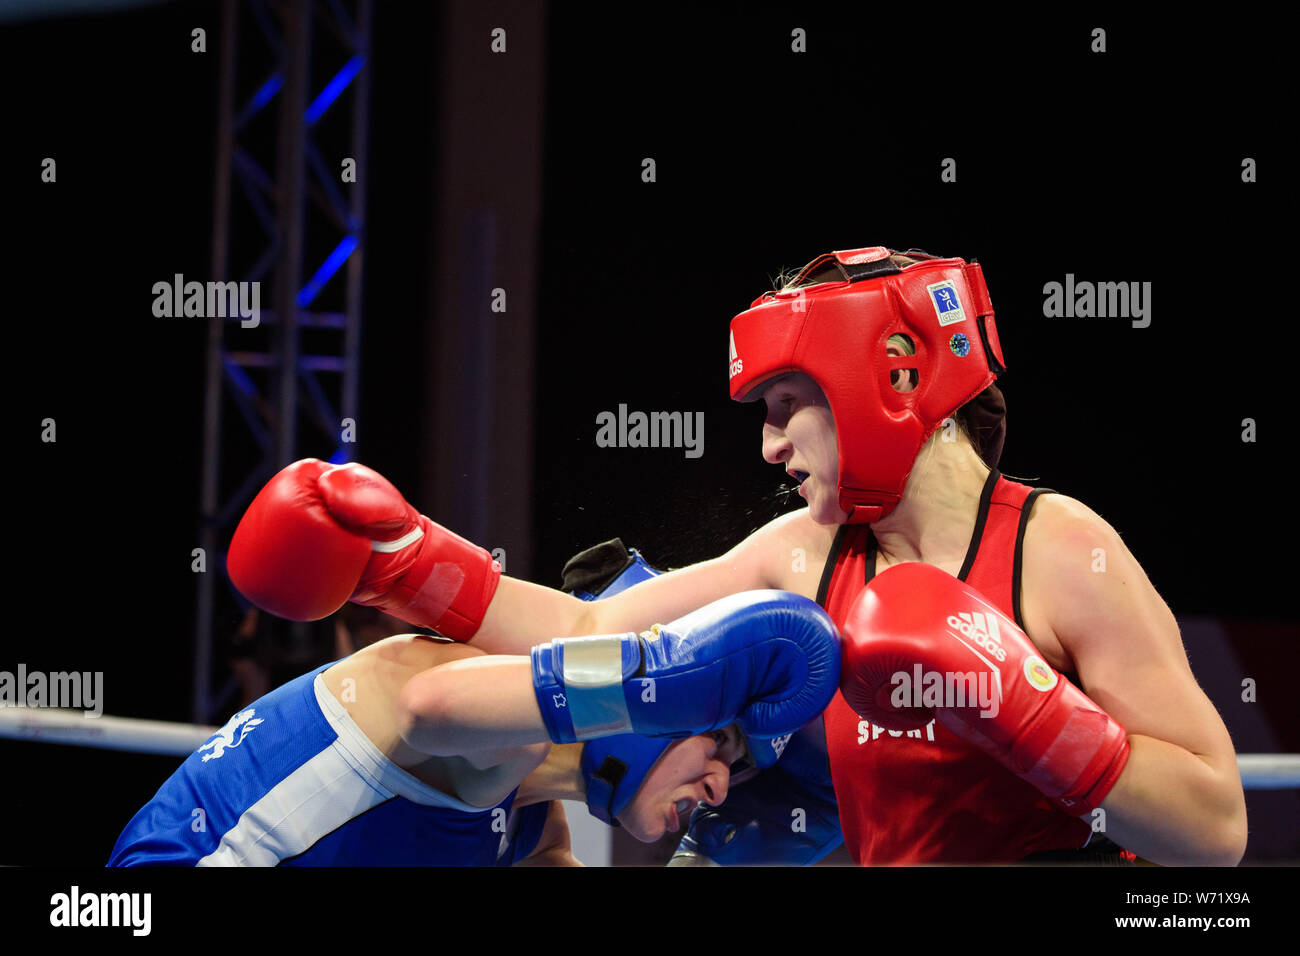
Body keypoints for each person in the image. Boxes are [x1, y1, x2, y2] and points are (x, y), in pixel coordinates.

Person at [226, 246, 1246, 866]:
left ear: (887, 379)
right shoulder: (805, 552)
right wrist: (411, 563)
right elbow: (586, 629)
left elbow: (1215, 826)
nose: (767, 445)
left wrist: (1028, 707)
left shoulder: (1062, 551)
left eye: (786, 405)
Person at [109, 549, 840, 865]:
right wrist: (668, 670)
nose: (718, 787)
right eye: (722, 746)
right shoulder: (471, 696)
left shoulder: (529, 826)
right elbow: (430, 707)